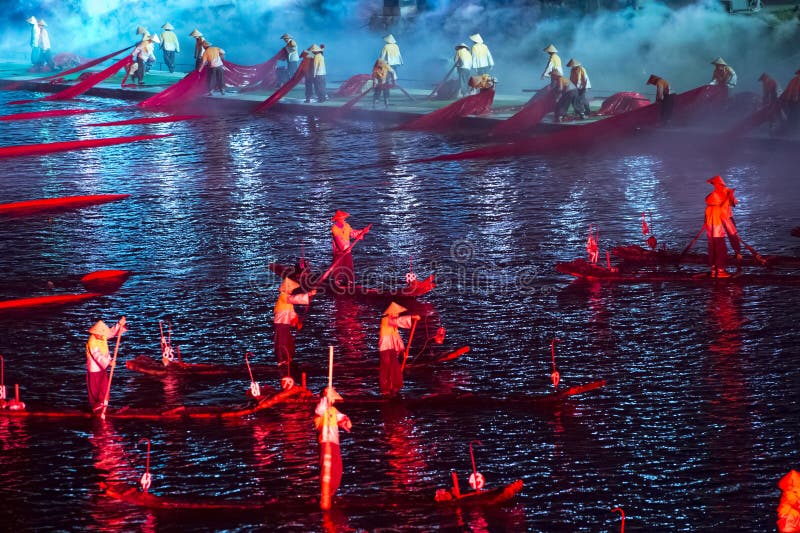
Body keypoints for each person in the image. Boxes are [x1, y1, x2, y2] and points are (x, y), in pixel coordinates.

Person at [273, 277, 316, 389]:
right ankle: (282, 360)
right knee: (282, 341)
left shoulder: (287, 299)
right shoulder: (283, 297)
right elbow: (295, 299)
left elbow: (292, 313)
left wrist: (297, 322)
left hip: (285, 324)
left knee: (288, 341)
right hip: (281, 324)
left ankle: (288, 359)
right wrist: (309, 295)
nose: (291, 291)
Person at [314, 386, 352, 510]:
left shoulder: (333, 410)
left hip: (334, 443)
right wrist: (326, 396)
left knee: (338, 467)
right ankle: (325, 493)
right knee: (327, 467)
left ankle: (332, 492)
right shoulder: (321, 410)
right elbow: (320, 410)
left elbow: (346, 421)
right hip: (326, 442)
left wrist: (346, 421)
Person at [378, 302, 420, 398]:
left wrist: (403, 351)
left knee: (395, 366)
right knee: (386, 367)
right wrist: (412, 317)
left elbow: (396, 339)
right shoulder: (385, 319)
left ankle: (395, 387)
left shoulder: (393, 326)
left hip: (391, 348)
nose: (397, 315)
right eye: (396, 313)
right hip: (385, 348)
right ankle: (385, 389)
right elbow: (398, 321)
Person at [86, 317, 127, 413]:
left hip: (102, 368)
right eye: (101, 334)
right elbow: (97, 355)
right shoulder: (92, 341)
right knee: (95, 388)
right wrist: (109, 362)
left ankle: (103, 404)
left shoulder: (102, 336)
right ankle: (97, 406)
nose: (103, 336)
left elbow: (111, 332)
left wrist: (119, 324)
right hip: (94, 368)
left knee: (104, 386)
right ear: (96, 333)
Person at [704, 175, 739, 277]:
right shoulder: (718, 196)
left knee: (713, 246)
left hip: (712, 226)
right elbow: (726, 217)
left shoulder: (714, 197)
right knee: (720, 247)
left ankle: (714, 269)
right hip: (717, 226)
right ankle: (720, 271)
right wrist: (733, 233)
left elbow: (732, 204)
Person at [330, 210, 368, 286]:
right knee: (338, 266)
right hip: (339, 250)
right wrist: (344, 247)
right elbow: (338, 239)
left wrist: (362, 232)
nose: (342, 220)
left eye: (343, 218)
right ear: (337, 219)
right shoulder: (334, 228)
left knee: (348, 265)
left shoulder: (346, 225)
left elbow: (352, 233)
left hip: (347, 249)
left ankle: (350, 281)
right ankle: (337, 281)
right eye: (340, 218)